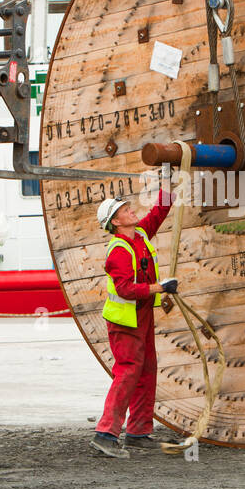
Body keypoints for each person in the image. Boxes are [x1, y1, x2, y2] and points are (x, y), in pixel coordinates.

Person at [92, 191, 179, 459]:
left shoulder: (139, 236)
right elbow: (126, 289)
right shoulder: (118, 251)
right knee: (128, 371)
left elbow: (158, 214)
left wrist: (168, 186)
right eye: (124, 210)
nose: (131, 210)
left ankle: (139, 433)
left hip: (141, 316)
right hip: (124, 321)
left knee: (146, 369)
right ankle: (105, 434)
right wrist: (160, 288)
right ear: (115, 223)